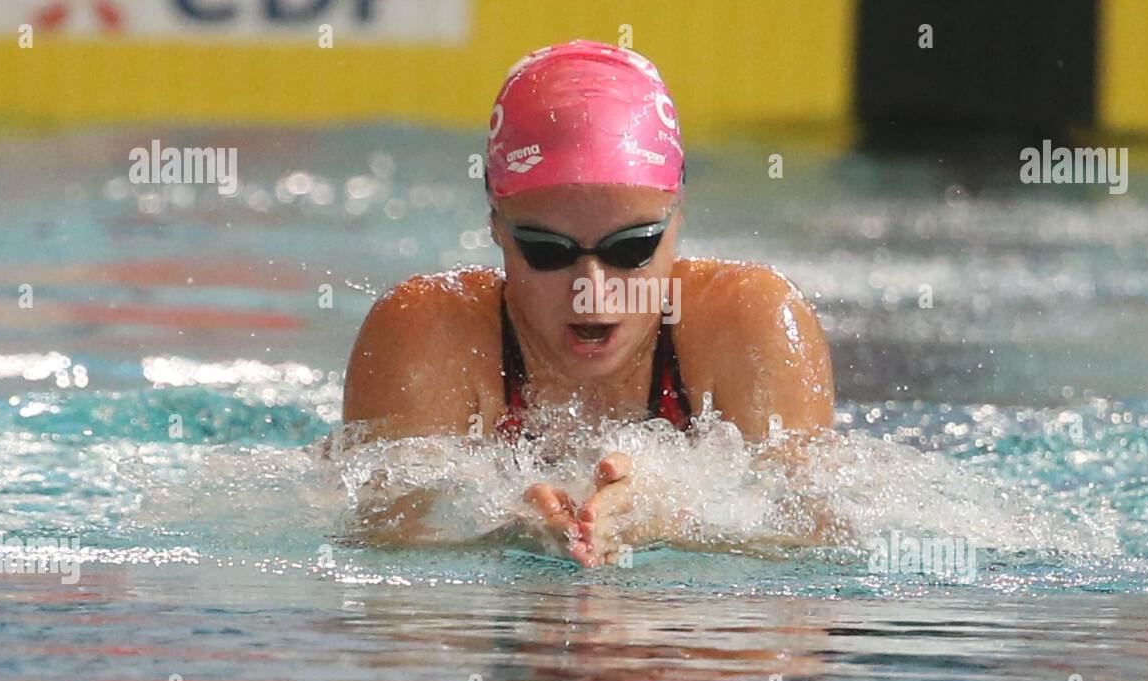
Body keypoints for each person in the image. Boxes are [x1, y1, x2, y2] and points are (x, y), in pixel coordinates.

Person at [343, 40, 837, 566]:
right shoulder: (428, 331)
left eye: (631, 248)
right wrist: (502, 527)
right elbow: (387, 572)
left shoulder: (749, 320)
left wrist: (666, 520)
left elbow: (818, 551)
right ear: (495, 225)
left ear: (678, 214)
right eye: (547, 251)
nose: (593, 290)